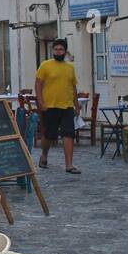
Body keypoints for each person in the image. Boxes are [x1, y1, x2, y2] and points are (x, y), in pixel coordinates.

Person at [34, 38, 81, 175]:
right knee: (49, 135)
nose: (58, 52)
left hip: (66, 106)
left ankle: (69, 165)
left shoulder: (70, 68)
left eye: (60, 49)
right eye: (56, 49)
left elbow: (73, 87)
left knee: (69, 134)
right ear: (52, 50)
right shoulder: (45, 65)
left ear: (65, 51)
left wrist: (76, 105)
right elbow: (38, 85)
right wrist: (41, 102)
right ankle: (44, 155)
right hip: (50, 106)